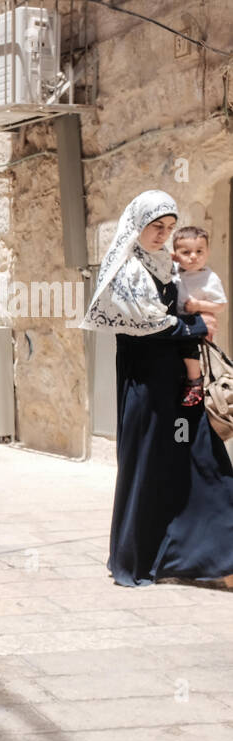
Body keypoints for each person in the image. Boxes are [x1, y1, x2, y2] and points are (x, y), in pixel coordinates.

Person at [77, 190, 233, 587]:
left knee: (202, 457)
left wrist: (193, 364)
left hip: (181, 383)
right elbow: (149, 325)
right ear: (137, 225)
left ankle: (215, 556)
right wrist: (197, 327)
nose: (162, 235)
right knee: (148, 466)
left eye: (168, 228)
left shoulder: (164, 265)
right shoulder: (126, 270)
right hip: (147, 386)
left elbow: (176, 315)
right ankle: (141, 559)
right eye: (155, 227)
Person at [171, 225, 227, 406]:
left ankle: (195, 380)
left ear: (208, 252)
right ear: (175, 254)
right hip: (177, 321)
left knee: (189, 347)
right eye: (186, 252)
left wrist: (199, 305)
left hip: (195, 323)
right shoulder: (175, 271)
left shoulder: (209, 278)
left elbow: (221, 305)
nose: (193, 256)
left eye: (199, 251)